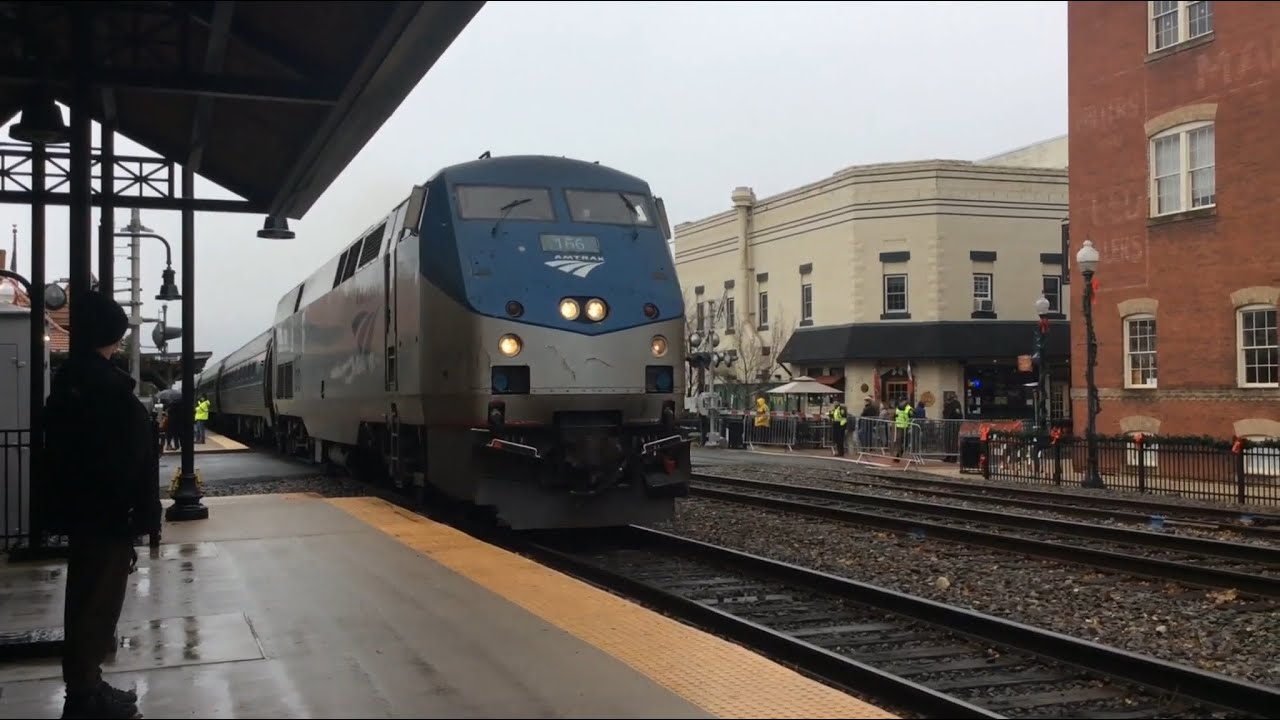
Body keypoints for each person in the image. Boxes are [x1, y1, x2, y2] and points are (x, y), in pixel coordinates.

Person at [43, 289, 158, 719]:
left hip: (88, 511)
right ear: (111, 335)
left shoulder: (75, 382)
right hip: (107, 516)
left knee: (89, 599)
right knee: (97, 603)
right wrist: (132, 513)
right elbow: (121, 460)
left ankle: (87, 686)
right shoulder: (103, 387)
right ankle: (84, 696)